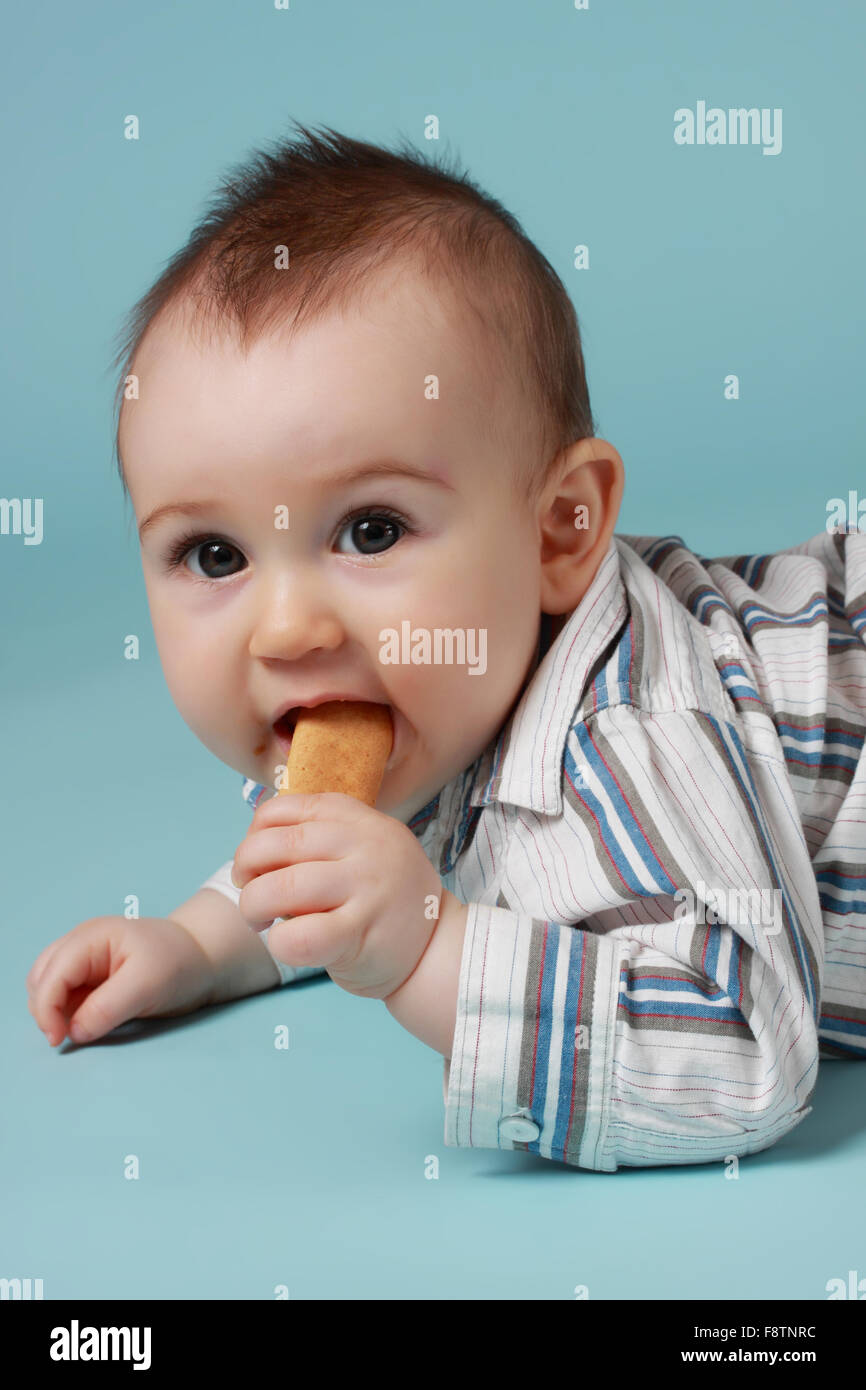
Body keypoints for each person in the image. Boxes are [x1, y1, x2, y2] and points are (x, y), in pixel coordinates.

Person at [26, 123, 866, 1171]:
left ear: (558, 528)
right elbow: (350, 858)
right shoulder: (434, 699)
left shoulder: (626, 736)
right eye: (211, 552)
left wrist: (431, 949)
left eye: (371, 530)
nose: (287, 628)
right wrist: (199, 944)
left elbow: (747, 1056)